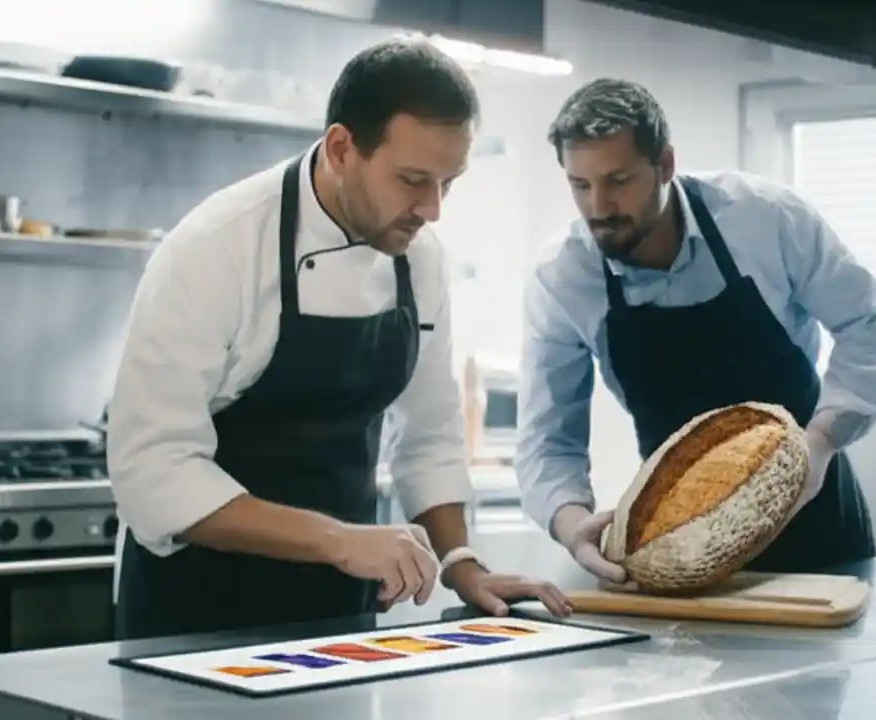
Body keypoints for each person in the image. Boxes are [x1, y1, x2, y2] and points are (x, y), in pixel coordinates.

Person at [107, 38, 571, 641]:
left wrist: (461, 563)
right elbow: (153, 472)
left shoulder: (420, 262)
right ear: (341, 149)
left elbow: (428, 436)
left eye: (448, 184)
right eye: (412, 180)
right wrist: (338, 540)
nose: (431, 210)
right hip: (193, 616)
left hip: (338, 622)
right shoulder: (216, 248)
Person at [516, 78, 876, 584]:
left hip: (815, 519)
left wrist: (821, 443)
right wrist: (573, 528)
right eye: (580, 185)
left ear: (666, 165)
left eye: (619, 180)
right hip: (679, 542)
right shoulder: (563, 277)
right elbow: (548, 441)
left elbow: (870, 327)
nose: (599, 208)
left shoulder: (766, 219)